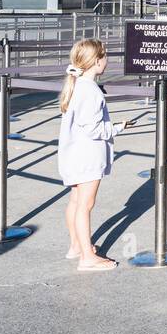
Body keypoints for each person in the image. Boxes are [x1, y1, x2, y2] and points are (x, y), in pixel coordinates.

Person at [57, 38, 130, 272]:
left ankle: (77, 246)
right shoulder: (91, 91)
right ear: (97, 62)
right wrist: (118, 127)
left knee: (76, 201)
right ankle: (87, 257)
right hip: (88, 155)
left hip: (74, 153)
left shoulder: (77, 85)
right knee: (85, 206)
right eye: (105, 55)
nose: (107, 59)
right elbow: (94, 128)